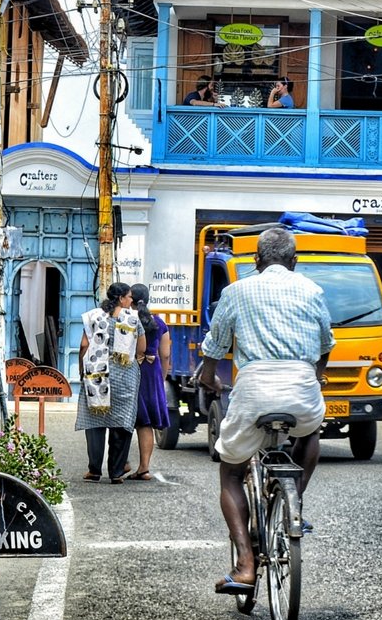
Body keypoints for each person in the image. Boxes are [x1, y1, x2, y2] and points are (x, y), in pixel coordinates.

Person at [199, 226, 332, 594]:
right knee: (310, 433)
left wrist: (209, 379)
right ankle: (295, 506)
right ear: (295, 261)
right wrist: (316, 376)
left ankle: (244, 565)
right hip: (302, 387)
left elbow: (216, 344)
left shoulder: (237, 291)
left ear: (256, 261)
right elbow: (325, 344)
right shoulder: (312, 289)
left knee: (230, 472)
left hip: (255, 387)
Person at [77, 282, 143, 482]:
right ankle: (116, 472)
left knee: (95, 422)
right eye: (129, 297)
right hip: (125, 376)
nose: (131, 300)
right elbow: (142, 347)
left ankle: (94, 470)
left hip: (97, 374)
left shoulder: (94, 316)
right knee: (121, 423)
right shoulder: (132, 318)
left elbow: (84, 345)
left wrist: (83, 370)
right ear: (122, 298)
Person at [129, 283, 173, 480]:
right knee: (145, 422)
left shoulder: (127, 320)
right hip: (152, 370)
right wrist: (162, 377)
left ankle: (121, 464)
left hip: (130, 369)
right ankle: (144, 467)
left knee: (125, 418)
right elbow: (165, 354)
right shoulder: (159, 323)